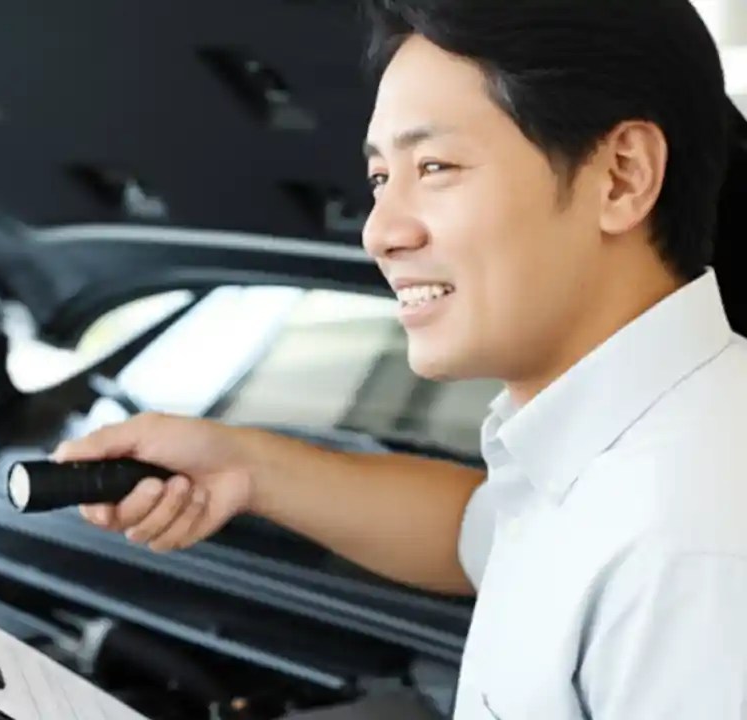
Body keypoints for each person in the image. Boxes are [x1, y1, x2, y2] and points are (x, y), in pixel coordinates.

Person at [53, 1, 747, 717]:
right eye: (383, 178)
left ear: (621, 176)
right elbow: (477, 533)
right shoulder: (614, 452)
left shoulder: (694, 550)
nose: (379, 232)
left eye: (436, 166)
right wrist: (241, 465)